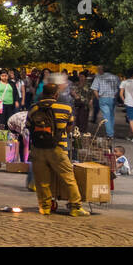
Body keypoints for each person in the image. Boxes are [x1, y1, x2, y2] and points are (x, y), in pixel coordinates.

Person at [28, 82, 89, 216]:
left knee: (42, 181)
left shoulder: (34, 108)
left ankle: (45, 207)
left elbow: (28, 125)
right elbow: (68, 129)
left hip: (38, 149)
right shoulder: (66, 108)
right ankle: (75, 207)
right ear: (56, 95)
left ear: (43, 94)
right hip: (58, 148)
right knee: (68, 178)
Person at [92, 64, 120, 140]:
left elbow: (94, 89)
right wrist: (116, 96)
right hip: (113, 98)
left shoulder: (99, 77)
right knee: (111, 116)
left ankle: (110, 134)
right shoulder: (116, 77)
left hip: (103, 98)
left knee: (106, 116)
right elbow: (119, 88)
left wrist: (98, 98)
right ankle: (111, 132)